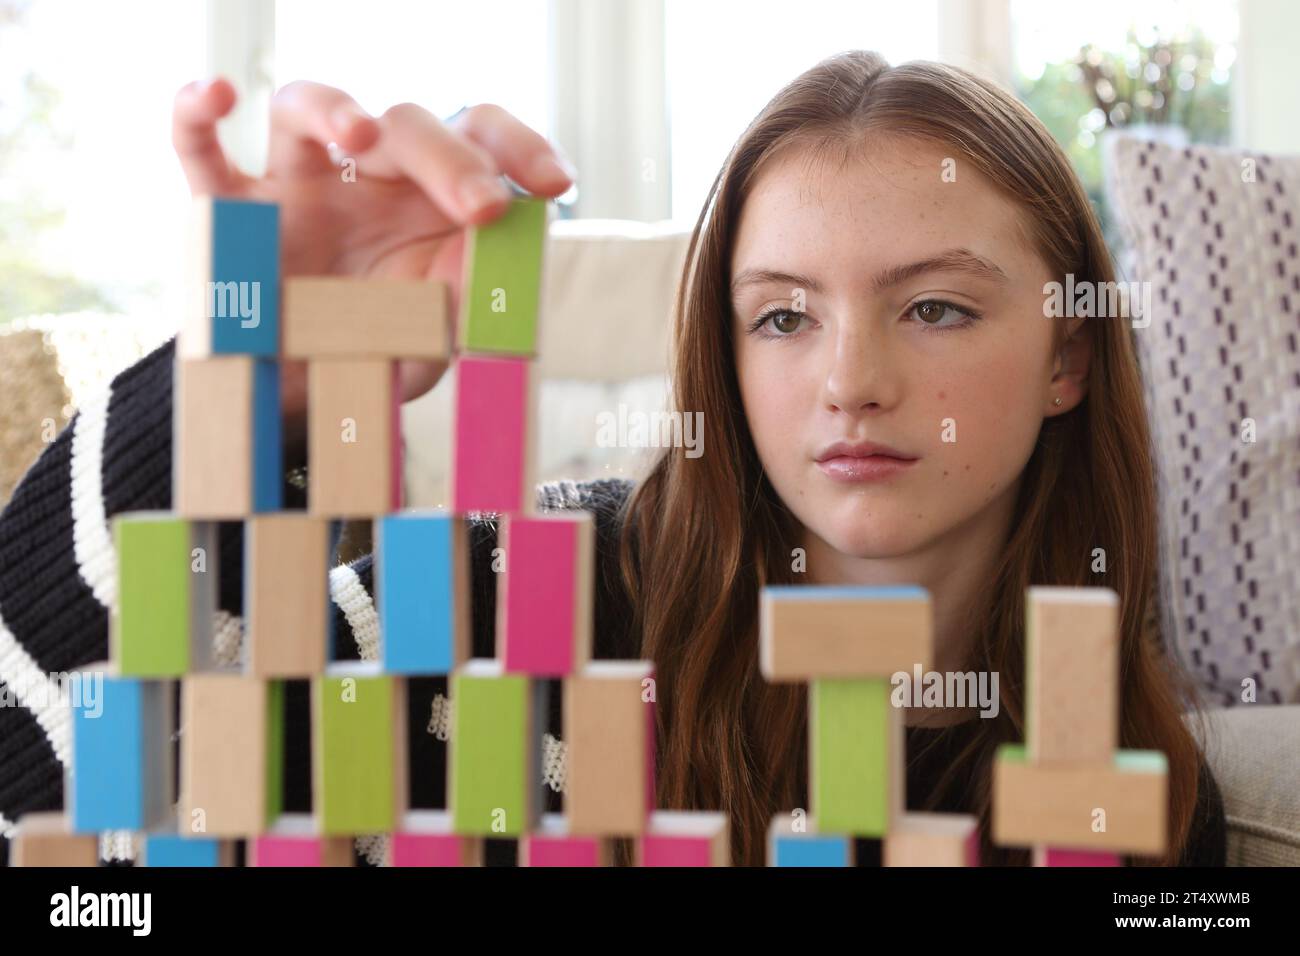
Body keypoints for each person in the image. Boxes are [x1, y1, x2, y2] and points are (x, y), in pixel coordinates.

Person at [0, 51, 1225, 867]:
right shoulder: (516, 596)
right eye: (784, 317)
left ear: (1067, 357)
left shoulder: (1133, 783)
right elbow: (73, 821)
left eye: (937, 308)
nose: (853, 380)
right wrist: (245, 385)